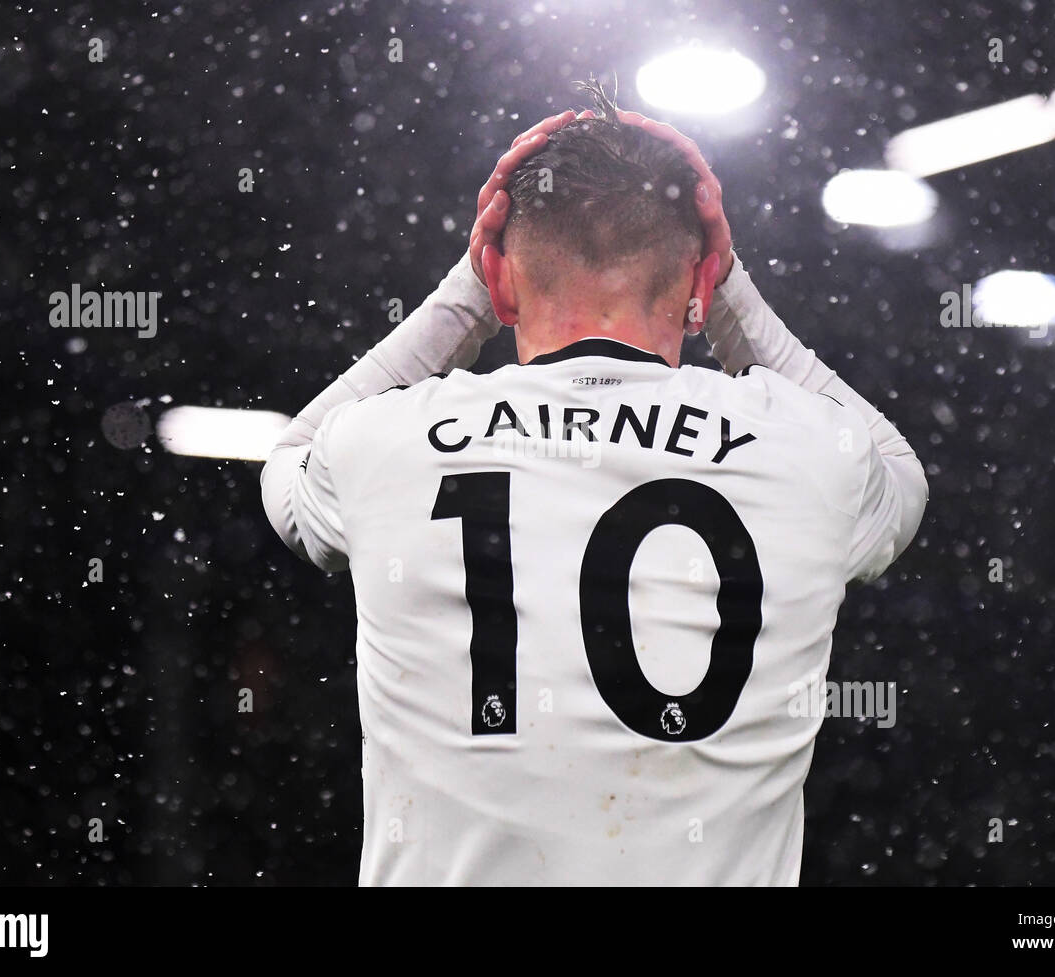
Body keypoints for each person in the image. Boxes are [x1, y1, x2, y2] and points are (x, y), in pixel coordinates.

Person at [261, 83, 928, 885]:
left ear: (503, 283)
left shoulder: (385, 438)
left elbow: (287, 458)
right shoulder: (810, 447)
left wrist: (470, 295)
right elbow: (901, 474)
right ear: (701, 282)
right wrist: (727, 293)